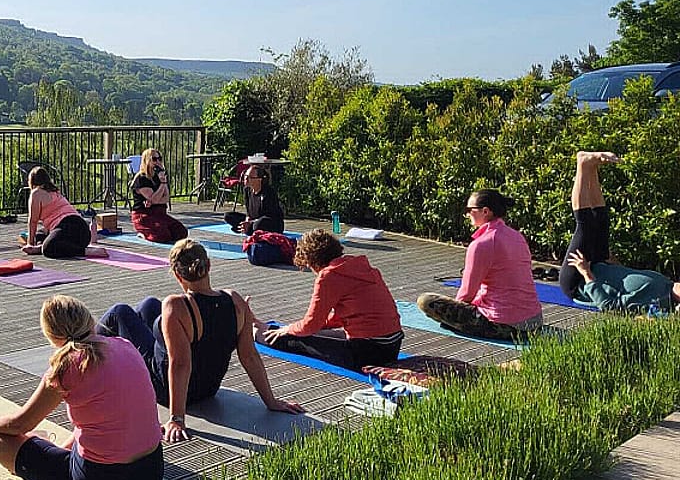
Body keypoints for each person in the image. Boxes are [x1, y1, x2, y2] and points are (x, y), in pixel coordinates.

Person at [97, 239, 303, 443]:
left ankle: (82, 347)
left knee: (120, 312)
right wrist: (271, 401)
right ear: (209, 266)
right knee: (149, 305)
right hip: (208, 388)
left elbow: (180, 364)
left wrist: (177, 418)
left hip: (168, 390)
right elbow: (249, 357)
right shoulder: (235, 300)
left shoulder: (176, 305)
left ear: (178, 274)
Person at [0, 295, 163, 480]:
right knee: (102, 417)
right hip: (151, 474)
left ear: (52, 336)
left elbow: (21, 424)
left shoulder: (65, 367)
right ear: (90, 320)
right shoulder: (125, 345)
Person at [253, 230, 403, 371]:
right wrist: (310, 327)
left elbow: (310, 325)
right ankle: (271, 330)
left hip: (367, 353)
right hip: (392, 346)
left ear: (314, 262)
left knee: (300, 340)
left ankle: (259, 334)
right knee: (310, 332)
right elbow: (341, 316)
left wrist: (289, 329)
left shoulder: (329, 275)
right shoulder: (360, 266)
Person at [560, 151, 680, 312]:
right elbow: (628, 278)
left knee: (586, 225)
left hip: (578, 279)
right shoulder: (666, 283)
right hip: (601, 264)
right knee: (601, 218)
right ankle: (591, 167)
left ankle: (582, 164)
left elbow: (611, 306)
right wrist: (616, 265)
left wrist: (586, 273)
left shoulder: (656, 300)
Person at [417, 189, 543, 341]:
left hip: (506, 326)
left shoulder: (481, 244)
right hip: (535, 321)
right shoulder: (517, 236)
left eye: (470, 210)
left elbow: (466, 295)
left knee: (426, 301)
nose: (467, 214)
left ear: (485, 211)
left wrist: (457, 311)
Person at [21, 166, 97, 258]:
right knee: (40, 234)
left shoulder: (36, 193)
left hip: (67, 226)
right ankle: (40, 246)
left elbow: (33, 221)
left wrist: (30, 243)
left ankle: (84, 251)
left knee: (48, 248)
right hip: (83, 232)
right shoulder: (54, 191)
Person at [130, 148, 188, 244]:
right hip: (144, 215)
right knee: (162, 236)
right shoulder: (141, 178)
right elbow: (154, 199)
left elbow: (165, 198)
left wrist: (163, 182)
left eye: (159, 159)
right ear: (147, 160)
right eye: (154, 159)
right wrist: (162, 184)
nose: (157, 162)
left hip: (160, 213)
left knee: (181, 232)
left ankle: (154, 231)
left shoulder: (159, 176)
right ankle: (143, 233)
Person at [226, 165, 285, 234]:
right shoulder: (247, 190)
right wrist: (247, 220)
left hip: (270, 222)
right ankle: (246, 228)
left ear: (259, 179)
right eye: (246, 176)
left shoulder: (268, 192)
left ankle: (248, 229)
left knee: (258, 224)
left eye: (250, 177)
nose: (246, 179)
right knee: (228, 216)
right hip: (254, 219)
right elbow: (248, 210)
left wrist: (251, 222)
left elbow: (270, 215)